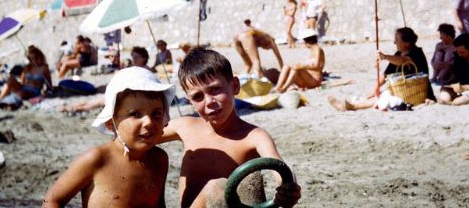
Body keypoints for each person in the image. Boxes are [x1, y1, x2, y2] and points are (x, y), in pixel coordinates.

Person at [161, 48, 301, 208]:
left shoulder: (253, 136)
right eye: (198, 97)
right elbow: (143, 135)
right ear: (189, 101)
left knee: (248, 181)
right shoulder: (186, 126)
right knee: (217, 187)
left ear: (234, 86)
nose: (209, 102)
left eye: (215, 90)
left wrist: (288, 187)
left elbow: (279, 167)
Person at [43, 66, 174, 208]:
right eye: (135, 114)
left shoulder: (160, 159)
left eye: (156, 113)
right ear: (111, 123)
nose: (148, 122)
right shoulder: (97, 159)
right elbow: (52, 200)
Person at [328, 27, 435, 111]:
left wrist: (385, 57)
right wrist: (376, 88)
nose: (394, 42)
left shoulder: (416, 53)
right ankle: (349, 104)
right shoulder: (398, 54)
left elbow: (404, 61)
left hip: (416, 93)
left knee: (384, 96)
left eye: (397, 40)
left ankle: (354, 107)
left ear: (407, 43)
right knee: (373, 94)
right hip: (403, 90)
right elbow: (386, 74)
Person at [274, 28, 325, 93]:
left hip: (314, 81)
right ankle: (278, 87)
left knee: (296, 68)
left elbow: (317, 66)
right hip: (307, 79)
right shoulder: (312, 50)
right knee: (287, 66)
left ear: (307, 41)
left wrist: (302, 66)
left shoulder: (318, 49)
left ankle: (284, 88)